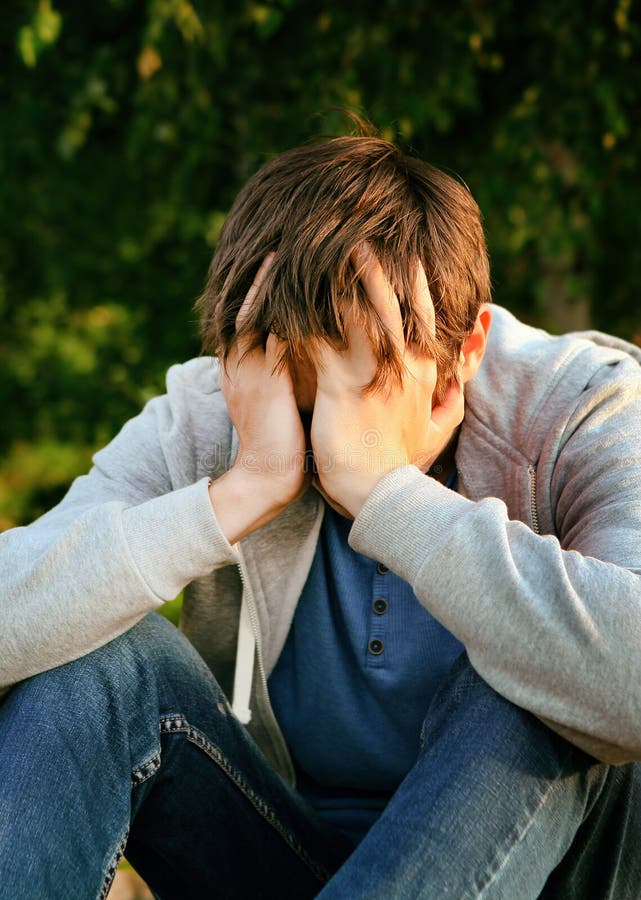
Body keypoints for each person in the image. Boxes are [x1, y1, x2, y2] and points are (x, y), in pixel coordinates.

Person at [1, 134, 641, 900]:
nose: (318, 444)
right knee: (93, 662)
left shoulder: (580, 405)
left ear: (464, 352)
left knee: (531, 659)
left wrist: (386, 494)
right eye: (302, 406)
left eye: (359, 396)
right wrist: (243, 487)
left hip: (545, 876)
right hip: (286, 860)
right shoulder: (219, 412)